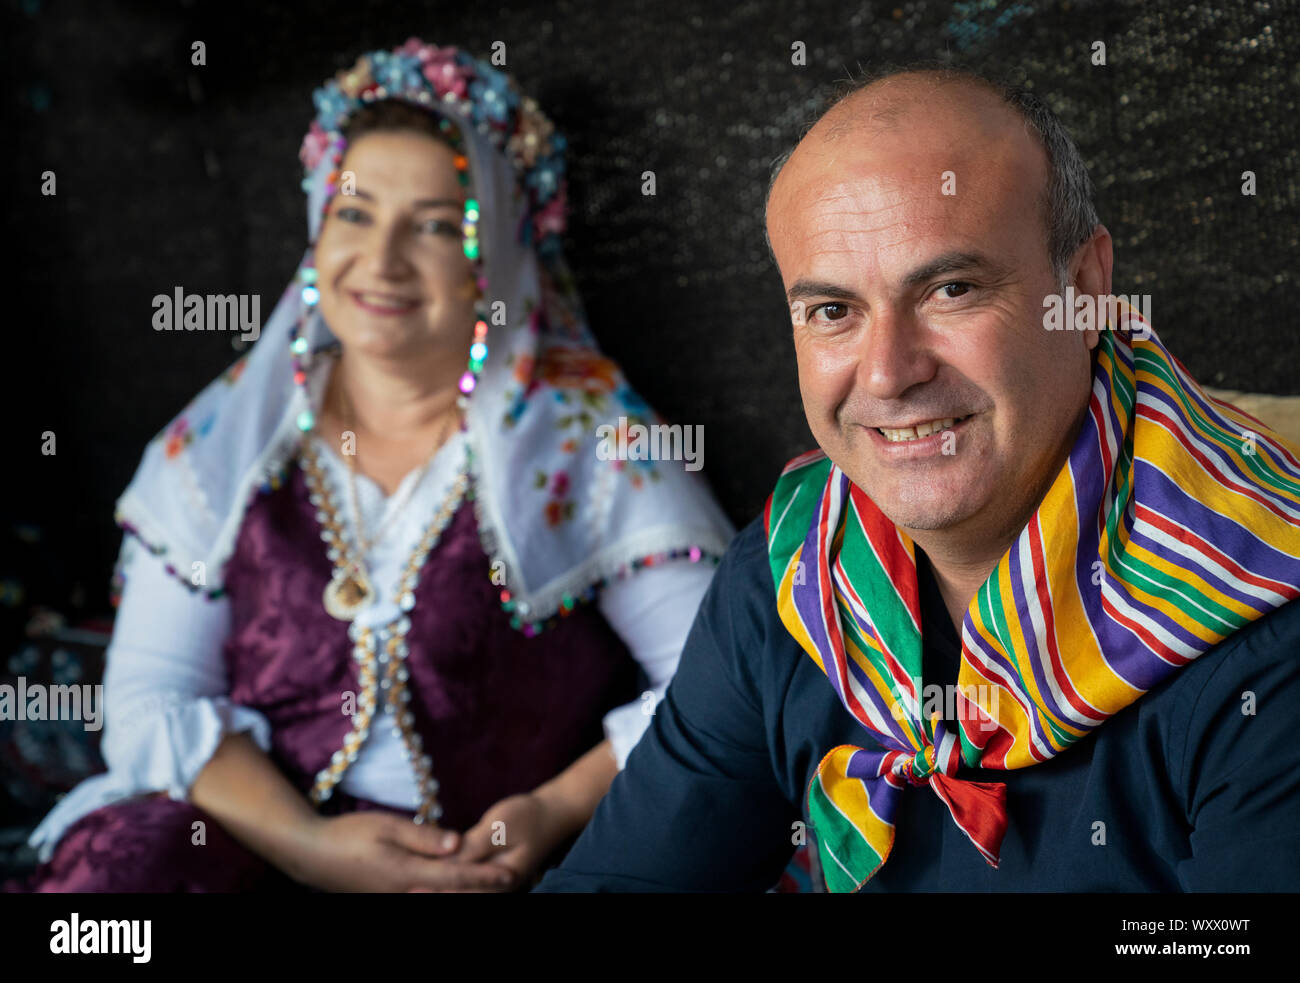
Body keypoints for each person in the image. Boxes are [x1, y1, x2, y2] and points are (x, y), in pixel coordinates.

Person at [534, 64, 1300, 892]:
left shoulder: (1266, 638)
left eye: (951, 288)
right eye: (833, 311)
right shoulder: (793, 572)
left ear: (1084, 292)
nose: (890, 373)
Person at [8, 38, 734, 893]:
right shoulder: (227, 441)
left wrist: (555, 811)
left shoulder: (586, 439)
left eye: (433, 226)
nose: (382, 261)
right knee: (127, 872)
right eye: (354, 213)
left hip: (499, 872)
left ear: (496, 254)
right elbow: (150, 696)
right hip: (268, 856)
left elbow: (714, 684)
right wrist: (309, 848)